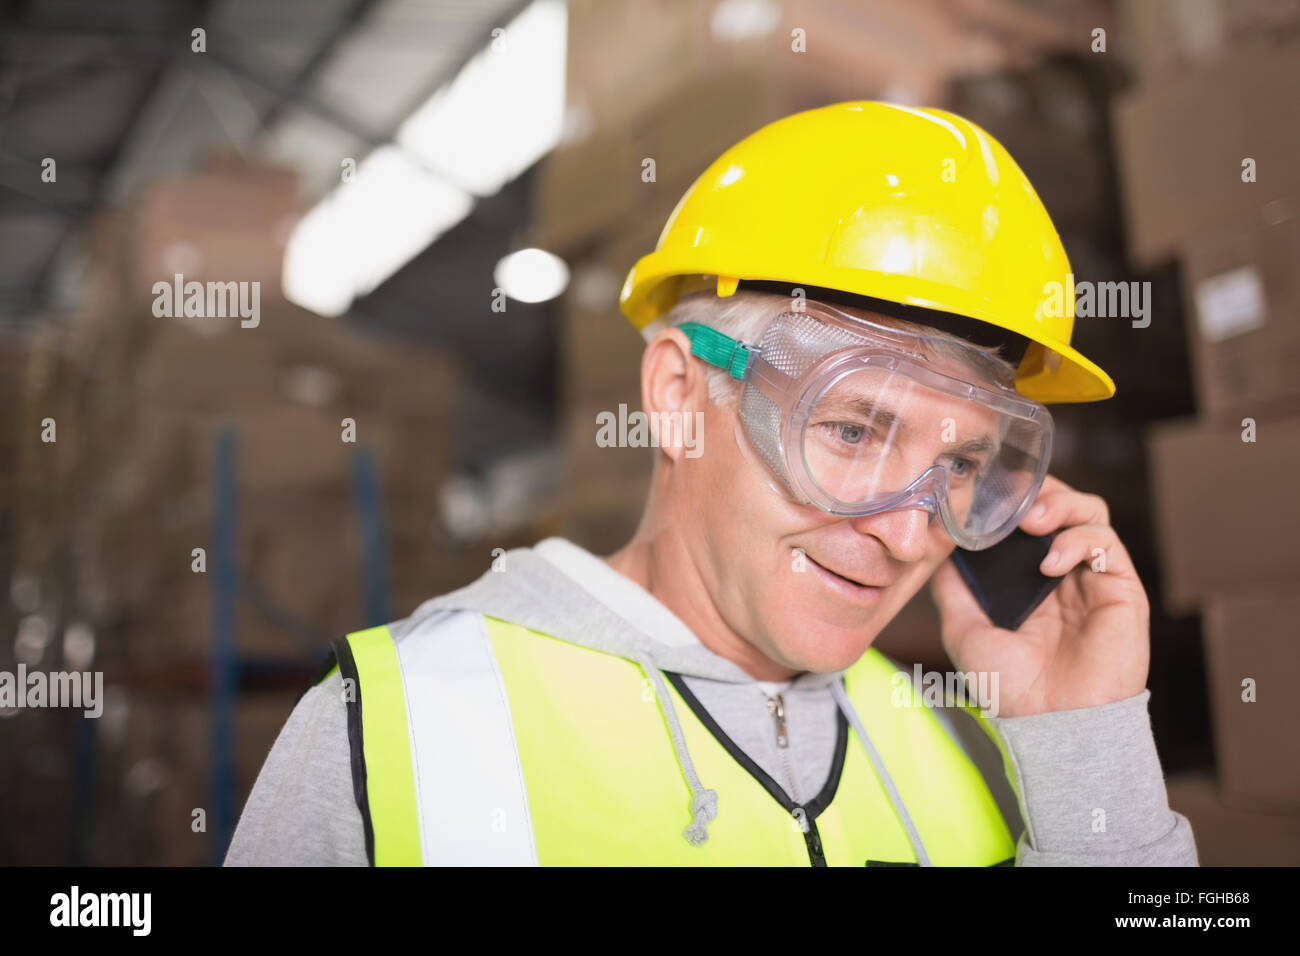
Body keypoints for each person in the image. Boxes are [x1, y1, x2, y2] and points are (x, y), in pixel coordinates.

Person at [225, 101, 1197, 866]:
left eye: (962, 464)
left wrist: (1084, 748)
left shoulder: (941, 742)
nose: (909, 534)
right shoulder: (402, 726)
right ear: (681, 397)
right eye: (854, 428)